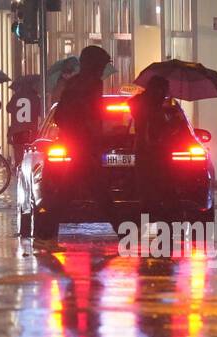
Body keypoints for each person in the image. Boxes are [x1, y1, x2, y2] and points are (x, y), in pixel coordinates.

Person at [55, 45, 119, 229]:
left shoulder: (74, 83)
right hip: (85, 144)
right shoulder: (93, 84)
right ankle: (124, 232)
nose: (102, 70)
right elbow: (93, 115)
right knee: (96, 191)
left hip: (76, 142)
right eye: (101, 66)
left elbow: (60, 115)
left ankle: (45, 233)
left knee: (70, 191)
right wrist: (96, 139)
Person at [129, 77, 182, 220]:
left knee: (146, 190)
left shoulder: (140, 104)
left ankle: (147, 221)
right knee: (160, 190)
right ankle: (161, 224)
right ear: (158, 90)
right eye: (164, 90)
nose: (165, 94)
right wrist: (176, 120)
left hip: (142, 151)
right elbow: (161, 132)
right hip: (155, 153)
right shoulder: (153, 110)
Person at [7, 83, 42, 167]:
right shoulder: (35, 98)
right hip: (31, 129)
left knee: (19, 151)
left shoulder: (15, 97)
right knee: (30, 150)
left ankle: (19, 167)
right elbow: (40, 112)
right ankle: (29, 167)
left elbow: (8, 109)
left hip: (18, 129)